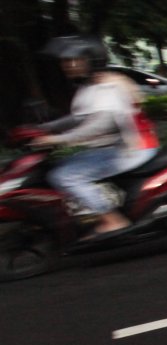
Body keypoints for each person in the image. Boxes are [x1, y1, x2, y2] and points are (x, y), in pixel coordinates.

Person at [32, 36, 159, 238]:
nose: (68, 66)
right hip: (115, 148)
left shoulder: (108, 86)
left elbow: (99, 125)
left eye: (75, 60)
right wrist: (41, 129)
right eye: (65, 61)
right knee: (58, 166)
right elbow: (78, 118)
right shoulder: (90, 85)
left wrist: (55, 139)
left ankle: (113, 219)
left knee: (65, 176)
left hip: (131, 149)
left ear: (92, 60)